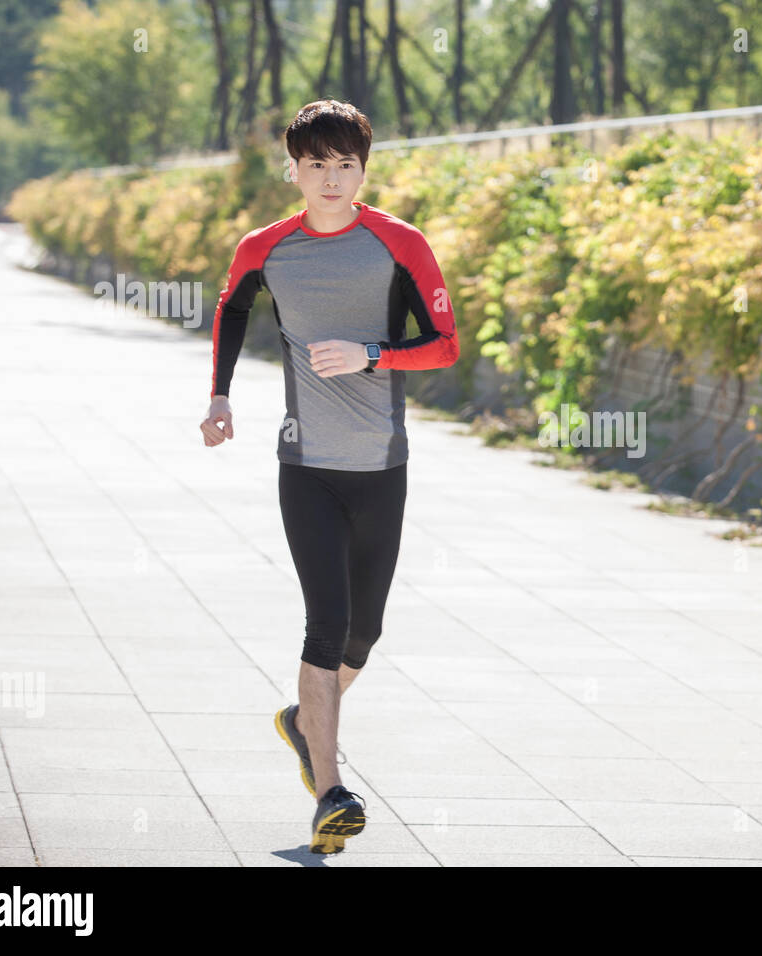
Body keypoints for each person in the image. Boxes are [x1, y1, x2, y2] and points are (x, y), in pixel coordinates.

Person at [198, 99, 460, 854]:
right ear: (295, 171)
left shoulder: (400, 242)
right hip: (305, 466)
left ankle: (302, 722)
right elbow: (230, 311)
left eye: (346, 165)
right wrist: (218, 398)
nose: (333, 178)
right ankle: (331, 794)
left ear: (363, 169)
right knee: (326, 623)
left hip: (382, 463)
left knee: (364, 635)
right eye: (318, 164)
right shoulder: (266, 246)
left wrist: (374, 354)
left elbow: (444, 345)